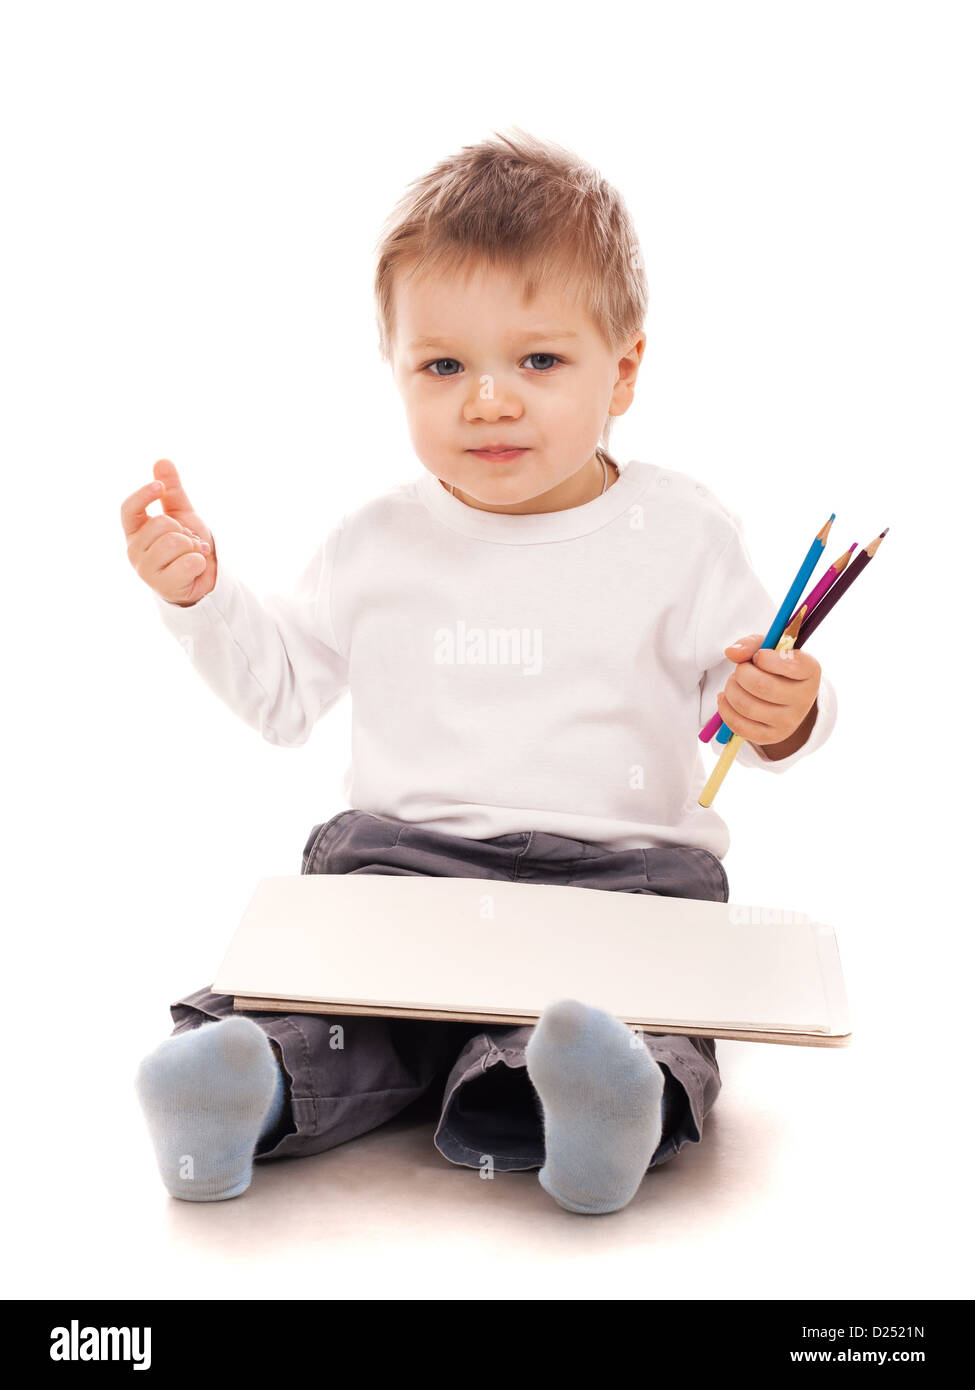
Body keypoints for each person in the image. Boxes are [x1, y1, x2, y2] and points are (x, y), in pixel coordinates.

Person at [122, 129, 835, 1216]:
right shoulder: (375, 540)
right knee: (320, 1006)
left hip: (625, 879)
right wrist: (200, 597)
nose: (488, 401)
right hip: (402, 870)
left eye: (538, 362)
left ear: (625, 370)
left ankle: (597, 1107)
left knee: (619, 1014)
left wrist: (788, 711)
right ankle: (242, 1086)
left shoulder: (681, 531)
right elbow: (280, 697)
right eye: (443, 366)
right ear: (397, 370)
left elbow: (757, 715)